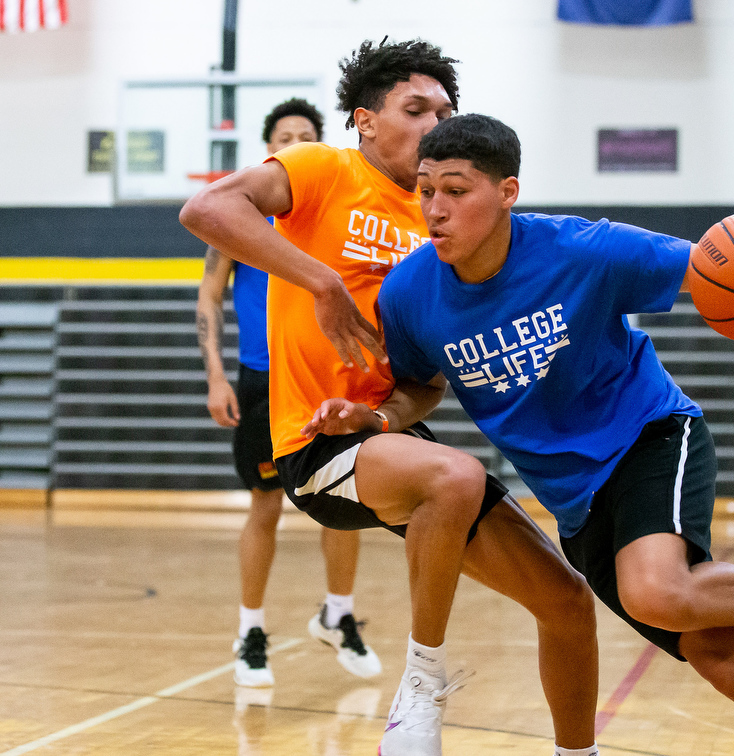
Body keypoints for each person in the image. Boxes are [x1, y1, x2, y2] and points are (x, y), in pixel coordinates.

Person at [369, 113, 734, 756]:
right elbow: (418, 386)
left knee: (656, 591)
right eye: (426, 190)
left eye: (456, 191)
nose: (435, 209)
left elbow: (720, 268)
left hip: (650, 437)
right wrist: (378, 418)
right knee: (723, 659)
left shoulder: (584, 251)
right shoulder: (408, 293)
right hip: (578, 507)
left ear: (507, 192)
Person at [181, 40, 600, 756]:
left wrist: (384, 412)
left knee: (567, 601)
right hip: (314, 443)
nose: (436, 123)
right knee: (457, 475)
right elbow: (206, 208)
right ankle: (420, 687)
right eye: (417, 109)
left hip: (387, 433)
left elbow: (427, 382)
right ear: (366, 121)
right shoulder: (323, 169)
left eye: (445, 111)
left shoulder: (441, 219)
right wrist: (322, 280)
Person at [196, 98, 383, 687]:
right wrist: (216, 374)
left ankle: (339, 614)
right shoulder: (241, 219)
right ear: (270, 147)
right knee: (265, 504)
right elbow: (208, 297)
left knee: (346, 506)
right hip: (261, 379)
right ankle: (250, 629)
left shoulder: (332, 211)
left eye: (307, 134)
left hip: (329, 380)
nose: (295, 140)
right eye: (285, 134)